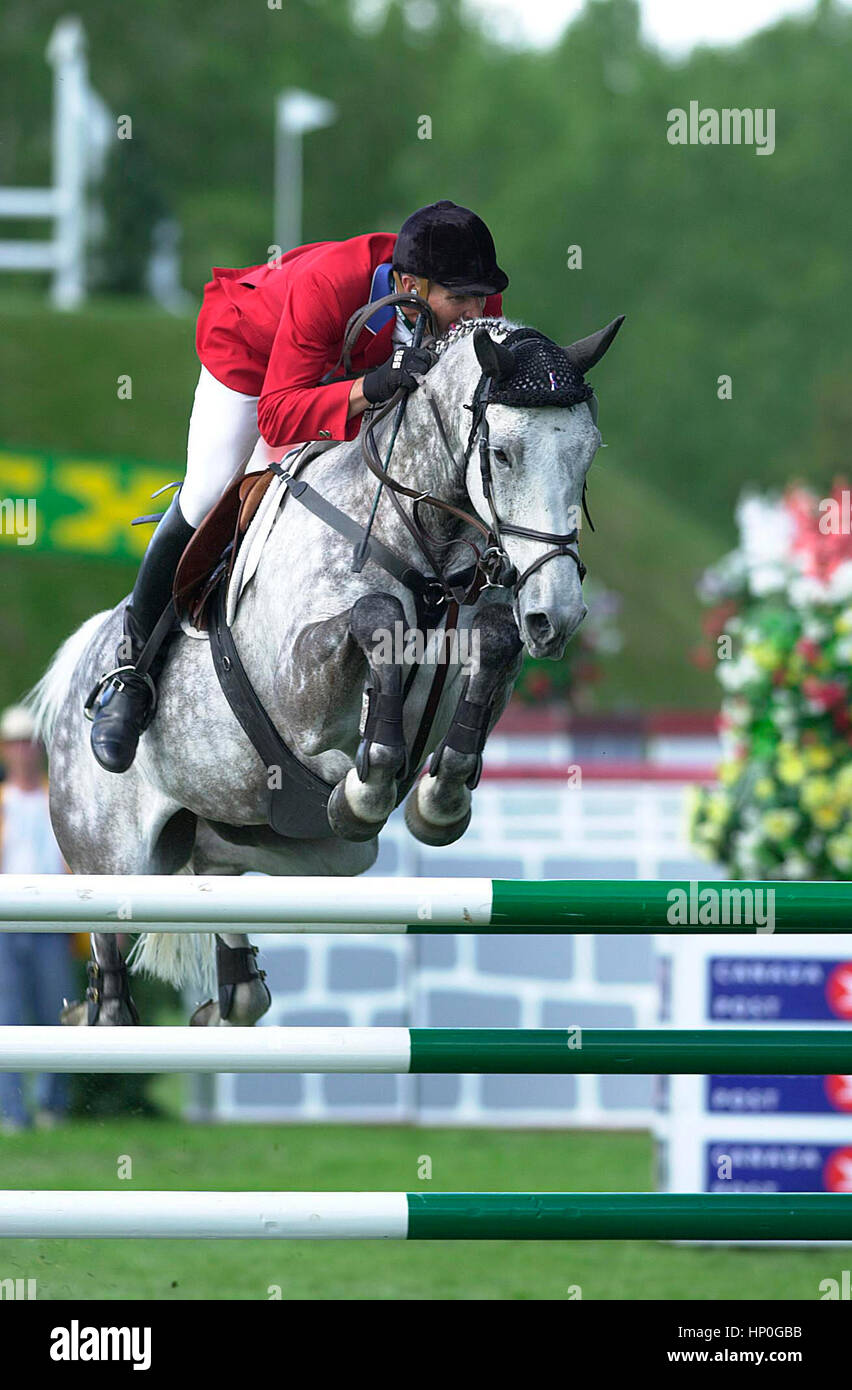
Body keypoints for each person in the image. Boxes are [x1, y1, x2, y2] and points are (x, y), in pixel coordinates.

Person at [87, 200, 508, 775]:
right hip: (255, 360)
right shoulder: (328, 285)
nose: (472, 312)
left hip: (353, 369)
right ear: (411, 283)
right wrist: (368, 387)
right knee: (210, 489)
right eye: (458, 300)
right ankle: (131, 674)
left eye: (479, 299)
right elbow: (279, 418)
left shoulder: (470, 303)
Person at [0, 704, 73, 1134]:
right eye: (16, 741)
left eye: (30, 740)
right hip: (5, 924)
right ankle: (12, 1111)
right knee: (5, 1017)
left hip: (53, 920)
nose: (24, 749)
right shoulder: (4, 803)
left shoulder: (56, 798)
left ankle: (51, 1106)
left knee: (55, 1013)